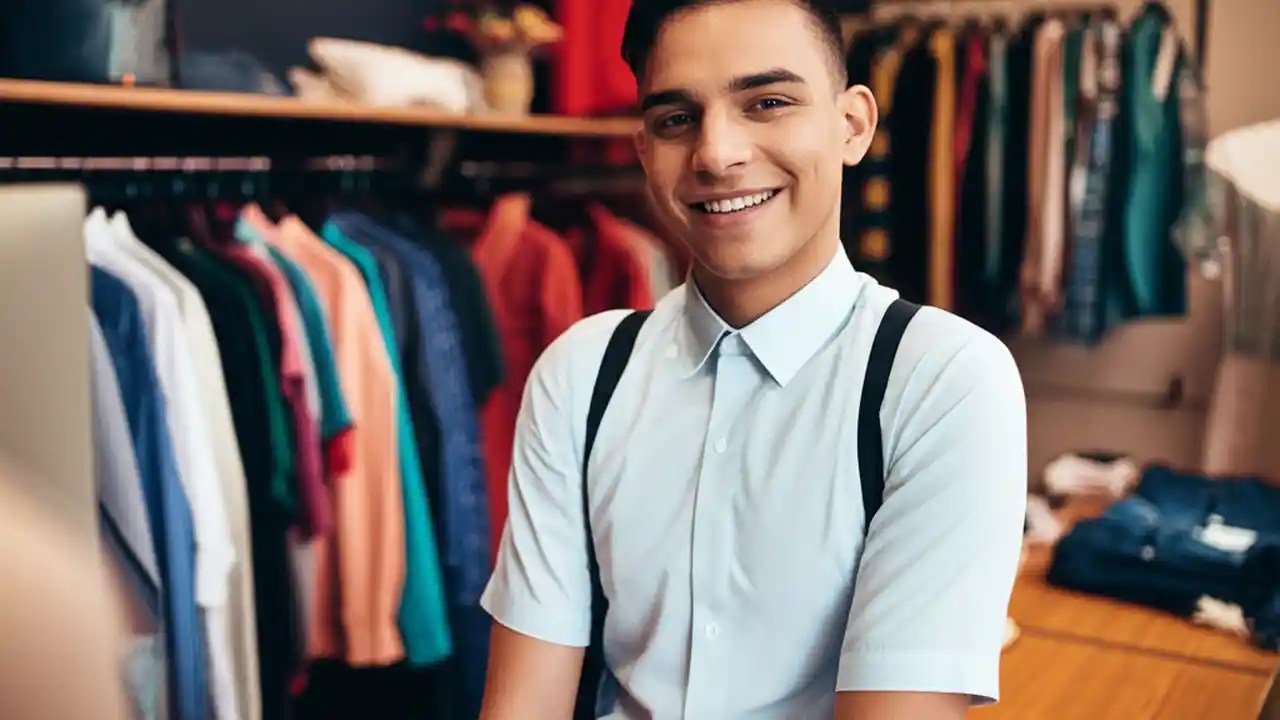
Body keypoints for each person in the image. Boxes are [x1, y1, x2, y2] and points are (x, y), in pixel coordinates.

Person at [478, 0, 1028, 718]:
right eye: (677, 119)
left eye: (767, 102)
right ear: (644, 150)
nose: (716, 153)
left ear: (853, 125)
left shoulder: (940, 382)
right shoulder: (582, 374)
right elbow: (524, 704)